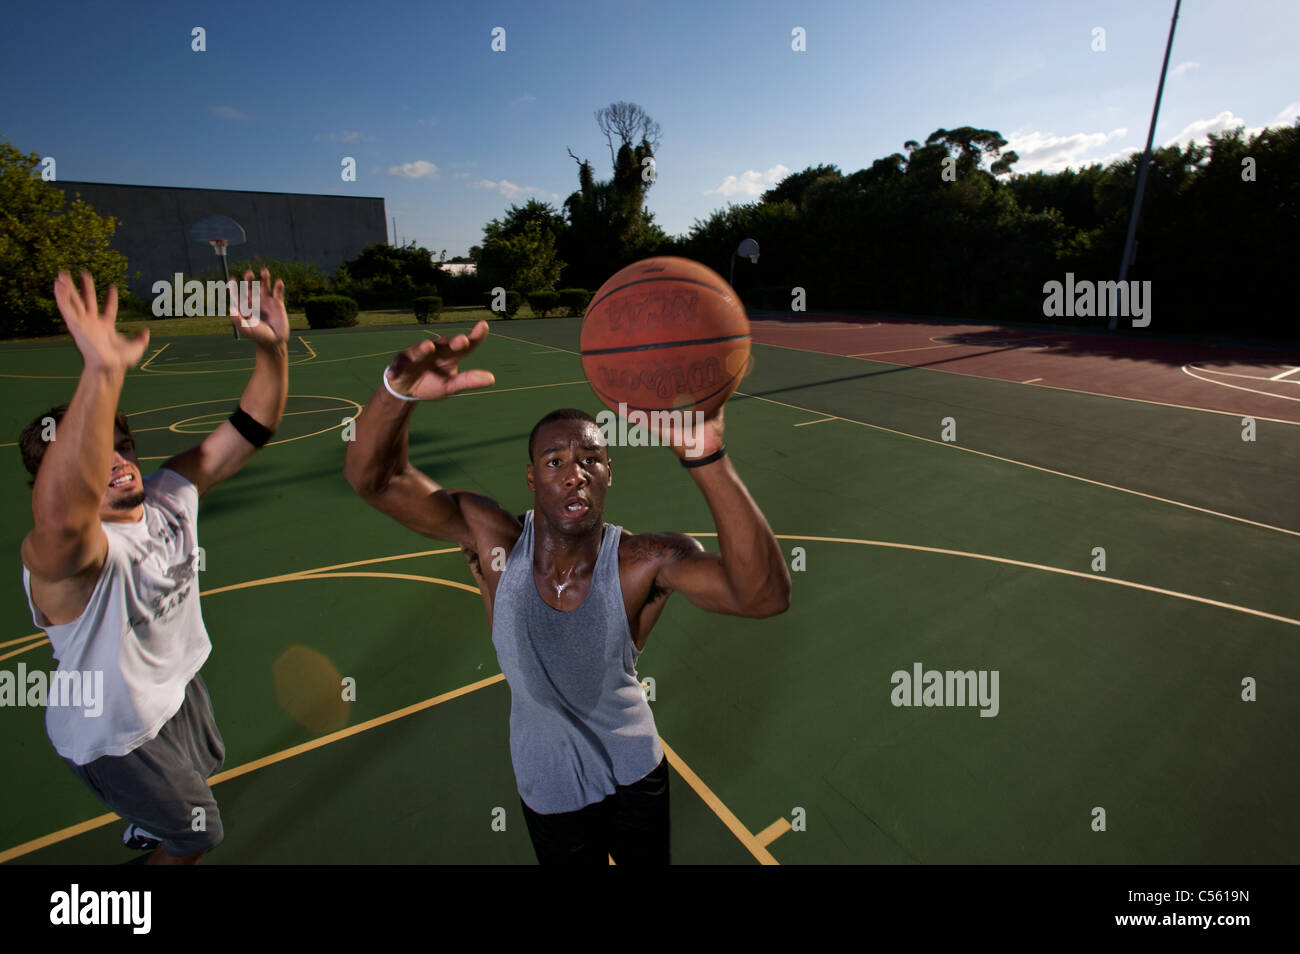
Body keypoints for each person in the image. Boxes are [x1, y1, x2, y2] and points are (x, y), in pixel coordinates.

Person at [343, 322, 790, 864]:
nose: (574, 473)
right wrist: (397, 392)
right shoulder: (494, 539)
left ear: (608, 473)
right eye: (555, 461)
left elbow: (763, 596)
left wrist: (707, 455)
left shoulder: (642, 561)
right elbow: (374, 480)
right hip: (548, 783)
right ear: (533, 478)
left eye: (590, 459)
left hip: (635, 772)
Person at [17, 269, 289, 864]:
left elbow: (252, 426)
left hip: (175, 686)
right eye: (94, 454)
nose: (116, 460)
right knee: (196, 837)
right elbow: (62, 519)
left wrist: (273, 350)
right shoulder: (74, 560)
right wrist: (100, 372)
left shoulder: (170, 494)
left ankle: (146, 825)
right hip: (114, 734)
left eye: (122, 446)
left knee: (206, 765)